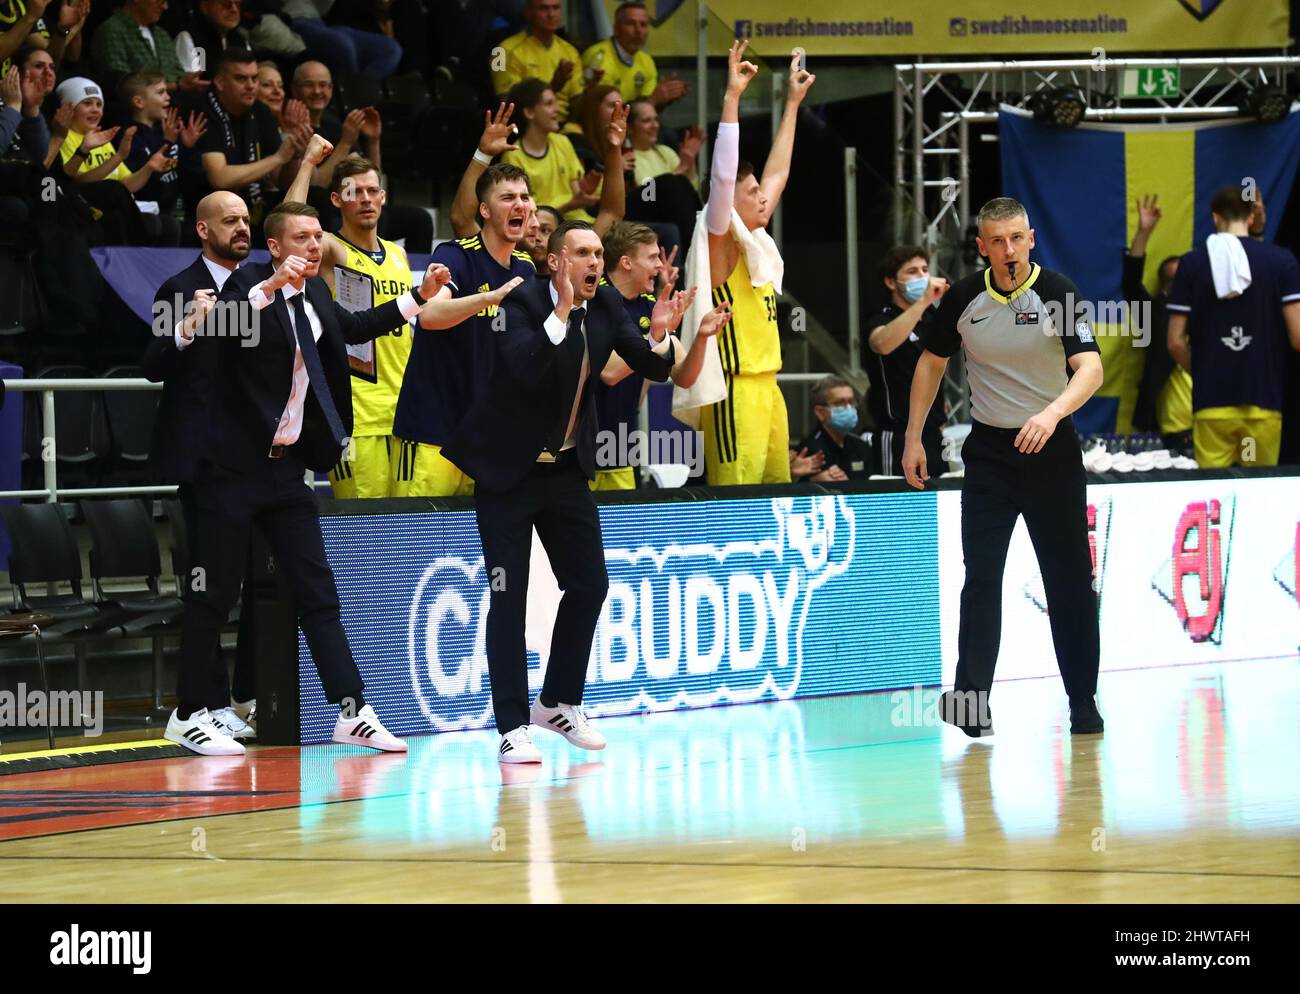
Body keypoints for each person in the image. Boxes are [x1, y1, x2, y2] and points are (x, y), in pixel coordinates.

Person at [166, 200, 447, 756]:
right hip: (231, 468)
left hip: (287, 469)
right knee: (214, 594)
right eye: (303, 237)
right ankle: (188, 712)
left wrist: (418, 297)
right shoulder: (245, 285)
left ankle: (351, 708)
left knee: (318, 592)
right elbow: (223, 328)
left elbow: (354, 327)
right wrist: (269, 285)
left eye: (319, 236)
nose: (316, 246)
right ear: (275, 247)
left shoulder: (319, 291)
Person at [440, 219, 687, 763]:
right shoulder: (520, 304)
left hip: (566, 469)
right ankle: (510, 724)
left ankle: (557, 701)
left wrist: (660, 333)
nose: (595, 262)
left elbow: (652, 366)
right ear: (556, 262)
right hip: (507, 473)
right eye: (582, 253)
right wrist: (559, 313)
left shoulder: (606, 308)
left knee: (590, 584)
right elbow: (526, 367)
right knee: (510, 596)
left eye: (599, 253)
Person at [902, 196, 1106, 737]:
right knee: (981, 578)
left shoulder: (1057, 292)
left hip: (1052, 452)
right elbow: (930, 361)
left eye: (1017, 239)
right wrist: (913, 436)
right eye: (998, 241)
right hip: (990, 456)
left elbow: (1090, 368)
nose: (1009, 250)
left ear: (1031, 239)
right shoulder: (966, 296)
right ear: (982, 246)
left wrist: (1053, 412)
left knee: (1068, 582)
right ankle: (971, 705)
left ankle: (1082, 703)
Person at [143, 190, 260, 740]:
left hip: (253, 459)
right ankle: (203, 702)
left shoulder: (257, 287)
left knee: (249, 581)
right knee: (209, 581)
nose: (242, 227)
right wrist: (185, 329)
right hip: (203, 459)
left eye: (245, 219)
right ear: (202, 230)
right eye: (229, 221)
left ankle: (239, 696)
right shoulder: (179, 288)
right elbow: (152, 366)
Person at [693, 42, 814, 486]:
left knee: (776, 499)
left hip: (769, 387)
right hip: (734, 389)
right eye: (753, 193)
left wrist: (792, 105)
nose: (764, 196)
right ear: (729, 201)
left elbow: (778, 174)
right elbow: (724, 178)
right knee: (736, 506)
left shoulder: (756, 239)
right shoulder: (721, 239)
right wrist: (732, 98)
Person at [391, 163, 537, 497]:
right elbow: (428, 314)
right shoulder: (455, 255)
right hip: (433, 429)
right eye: (508, 197)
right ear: (484, 210)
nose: (520, 205)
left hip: (487, 439)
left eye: (525, 197)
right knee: (414, 541)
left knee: (474, 546)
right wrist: (489, 297)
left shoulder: (526, 269)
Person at [284, 142, 417, 498]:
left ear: (384, 197)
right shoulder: (330, 247)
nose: (365, 199)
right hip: (355, 409)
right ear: (336, 201)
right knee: (364, 528)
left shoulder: (399, 254)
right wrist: (309, 163)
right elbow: (290, 222)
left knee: (409, 524)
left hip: (403, 407)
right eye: (353, 192)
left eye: (372, 191)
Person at [1165, 185, 1300, 468]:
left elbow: (1175, 342)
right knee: (1259, 495)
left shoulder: (1192, 264)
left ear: (1215, 218)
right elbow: (1298, 337)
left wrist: (1202, 370)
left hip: (1212, 402)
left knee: (1214, 500)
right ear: (1253, 216)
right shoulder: (1281, 261)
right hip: (1262, 401)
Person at [593, 221, 728, 489]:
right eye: (652, 257)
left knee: (620, 530)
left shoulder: (651, 308)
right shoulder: (594, 299)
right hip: (581, 446)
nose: (659, 265)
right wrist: (656, 335)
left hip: (620, 444)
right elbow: (609, 373)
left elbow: (685, 377)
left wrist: (701, 337)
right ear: (626, 263)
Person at [290, 59, 430, 251]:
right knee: (330, 202)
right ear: (295, 89)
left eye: (323, 85)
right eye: (309, 85)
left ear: (331, 89)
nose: (317, 91)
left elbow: (366, 174)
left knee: (419, 219)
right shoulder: (293, 125)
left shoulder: (335, 124)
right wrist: (345, 143)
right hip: (321, 209)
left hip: (348, 203)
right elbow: (316, 184)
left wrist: (373, 141)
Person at [450, 98, 628, 240]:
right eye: (531, 222)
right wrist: (483, 155)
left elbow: (611, 212)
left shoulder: (577, 261)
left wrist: (615, 148)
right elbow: (461, 220)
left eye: (546, 230)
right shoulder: (494, 257)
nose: (535, 229)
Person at [184, 49, 307, 233]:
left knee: (312, 200)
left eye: (254, 79)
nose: (250, 86)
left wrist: (295, 155)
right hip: (207, 208)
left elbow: (282, 183)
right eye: (241, 79)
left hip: (254, 204)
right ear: (220, 82)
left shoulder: (261, 112)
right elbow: (220, 178)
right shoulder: (202, 110)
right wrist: (278, 158)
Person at [55, 74, 177, 245]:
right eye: (87, 103)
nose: (95, 109)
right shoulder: (64, 138)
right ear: (70, 108)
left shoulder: (101, 138)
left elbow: (127, 184)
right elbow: (78, 182)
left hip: (112, 207)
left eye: (99, 104)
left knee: (170, 225)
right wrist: (118, 157)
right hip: (82, 207)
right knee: (114, 192)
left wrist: (149, 167)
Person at [864, 245, 949, 476]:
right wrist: (922, 301)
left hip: (933, 433)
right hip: (896, 435)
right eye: (912, 272)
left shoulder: (933, 317)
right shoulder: (881, 316)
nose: (922, 277)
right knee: (898, 506)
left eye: (924, 270)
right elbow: (881, 343)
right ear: (891, 283)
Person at [1126, 194, 1189, 451]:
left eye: (1186, 280)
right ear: (1163, 289)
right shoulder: (1155, 313)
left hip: (1215, 423)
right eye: (1173, 282)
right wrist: (1143, 234)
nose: (1181, 288)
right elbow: (1131, 286)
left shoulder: (1213, 313)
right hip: (1168, 433)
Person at [120, 70, 208, 246]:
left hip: (179, 214)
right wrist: (167, 144)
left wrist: (188, 147)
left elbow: (193, 177)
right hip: (149, 223)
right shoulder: (129, 136)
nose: (168, 98)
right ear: (139, 102)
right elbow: (145, 185)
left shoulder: (168, 132)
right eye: (160, 93)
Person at [502, 77, 598, 222]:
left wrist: (585, 191)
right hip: (543, 232)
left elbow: (577, 192)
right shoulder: (513, 157)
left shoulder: (562, 142)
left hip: (580, 222)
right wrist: (569, 206)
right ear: (529, 112)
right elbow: (525, 215)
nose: (558, 109)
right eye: (549, 104)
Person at [581, 0, 686, 109]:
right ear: (616, 29)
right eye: (631, 24)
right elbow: (600, 112)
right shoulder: (598, 57)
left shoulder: (646, 61)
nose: (638, 30)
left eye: (643, 25)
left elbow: (644, 112)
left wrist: (665, 98)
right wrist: (653, 100)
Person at [493, 0, 584, 124]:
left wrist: (591, 88)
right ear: (528, 13)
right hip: (526, 126)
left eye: (556, 8)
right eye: (543, 8)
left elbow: (578, 102)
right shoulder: (502, 51)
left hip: (564, 126)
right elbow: (509, 106)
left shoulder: (570, 51)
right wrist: (554, 86)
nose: (551, 14)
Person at [91, 0, 208, 95]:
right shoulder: (112, 31)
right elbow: (123, 84)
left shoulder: (162, 35)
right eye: (160, 1)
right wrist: (176, 86)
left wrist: (190, 81)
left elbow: (178, 75)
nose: (165, 7)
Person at [279, 0, 401, 78]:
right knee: (343, 44)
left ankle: (363, 91)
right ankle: (351, 100)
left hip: (320, 22)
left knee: (390, 48)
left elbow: (323, 8)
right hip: (292, 20)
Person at [797, 376, 873, 482]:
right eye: (839, 403)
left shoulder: (861, 446)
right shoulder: (809, 450)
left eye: (851, 402)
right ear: (820, 412)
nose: (848, 408)